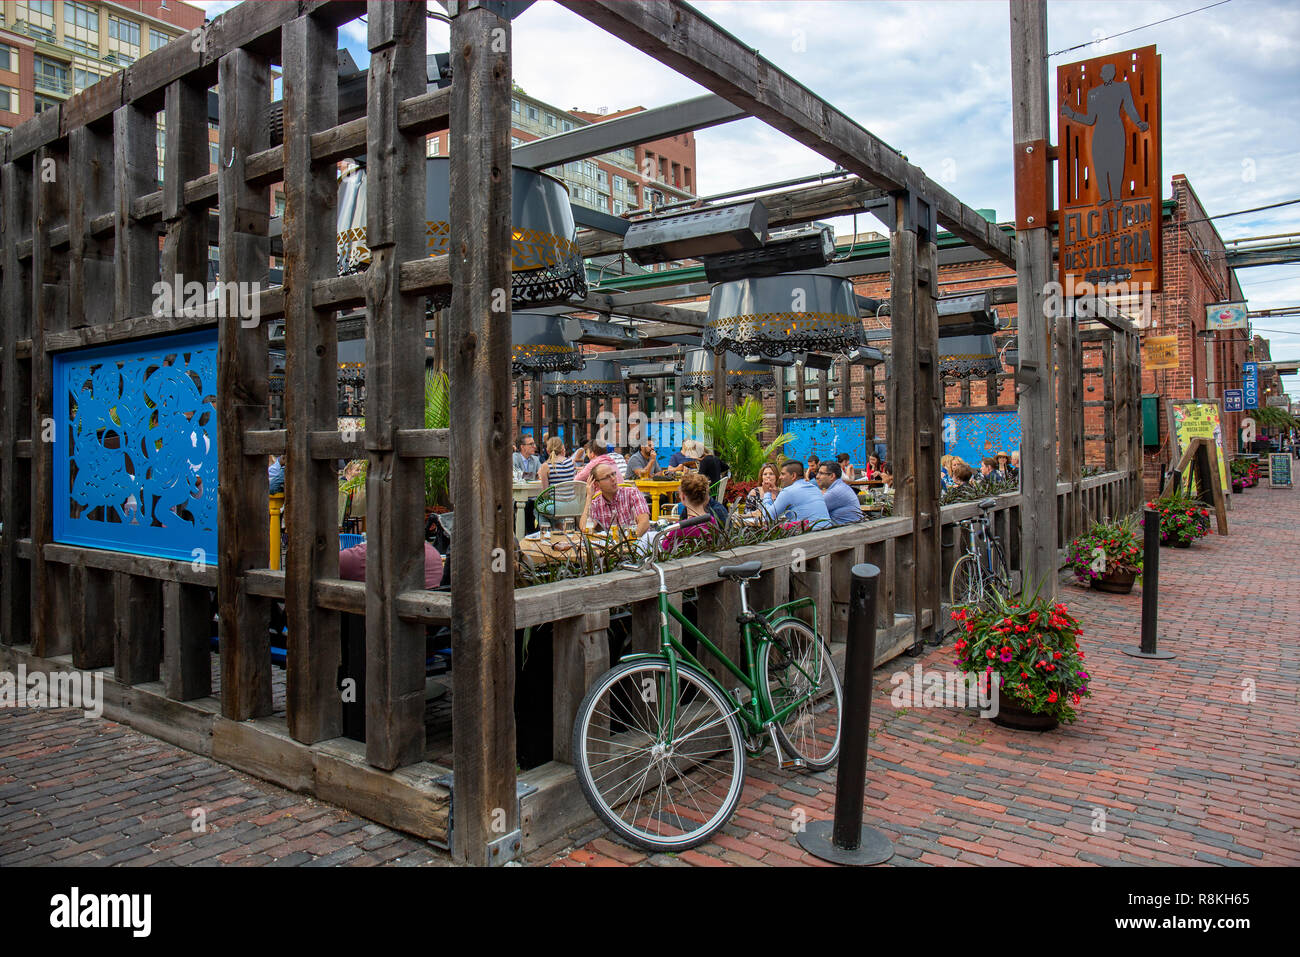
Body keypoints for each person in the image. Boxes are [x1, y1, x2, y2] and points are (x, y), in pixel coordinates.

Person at [340, 538, 443, 590]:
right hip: (427, 628)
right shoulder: (432, 552)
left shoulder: (363, 555)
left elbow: (327, 565)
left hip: (377, 627)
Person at [581, 461, 650, 537]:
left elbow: (644, 522)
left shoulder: (632, 493)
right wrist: (589, 497)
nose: (613, 479)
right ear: (597, 484)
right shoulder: (596, 503)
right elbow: (584, 528)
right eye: (607, 477)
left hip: (636, 544)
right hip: (611, 547)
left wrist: (628, 542)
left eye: (613, 474)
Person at [660, 472, 726, 551]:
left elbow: (663, 550)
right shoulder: (713, 522)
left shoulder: (678, 530)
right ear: (706, 497)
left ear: (683, 497)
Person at [770, 460, 831, 526]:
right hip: (827, 531)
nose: (780, 477)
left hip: (810, 534)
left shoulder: (788, 492)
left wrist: (767, 493)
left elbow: (768, 517)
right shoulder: (814, 488)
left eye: (783, 474)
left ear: (793, 476)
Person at [815, 460, 861, 525]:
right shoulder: (840, 486)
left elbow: (813, 509)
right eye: (818, 473)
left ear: (832, 476)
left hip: (847, 532)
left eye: (821, 473)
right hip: (849, 529)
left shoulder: (836, 491)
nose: (817, 476)